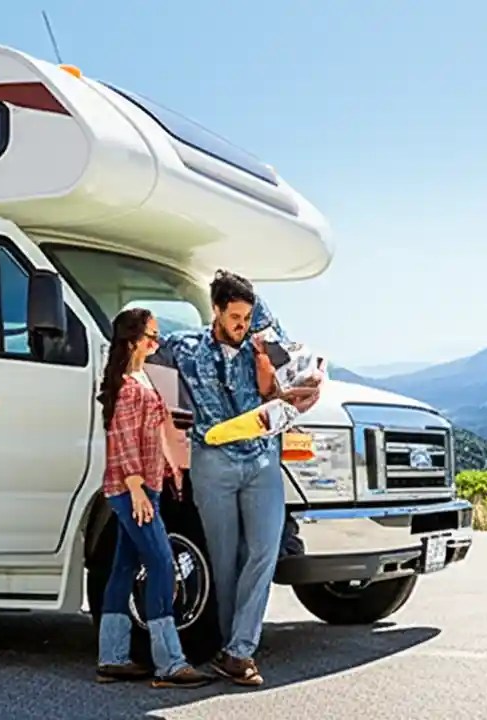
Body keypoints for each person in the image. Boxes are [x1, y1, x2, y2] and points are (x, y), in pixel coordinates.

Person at [150, 270, 322, 687]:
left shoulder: (261, 342)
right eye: (235, 318)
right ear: (216, 311)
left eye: (247, 317)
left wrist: (295, 374)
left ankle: (241, 649)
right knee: (224, 560)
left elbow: (296, 369)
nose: (242, 325)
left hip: (261, 460)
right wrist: (169, 417)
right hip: (212, 464)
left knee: (263, 551)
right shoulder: (184, 347)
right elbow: (147, 361)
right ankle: (230, 650)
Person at [95, 307, 215, 689]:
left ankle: (111, 658)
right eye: (151, 336)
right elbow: (123, 442)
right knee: (162, 564)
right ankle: (170, 663)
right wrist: (137, 490)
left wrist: (172, 473)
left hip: (147, 486)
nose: (156, 342)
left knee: (123, 568)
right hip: (132, 490)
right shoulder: (128, 386)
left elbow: (155, 433)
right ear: (133, 341)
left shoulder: (142, 377)